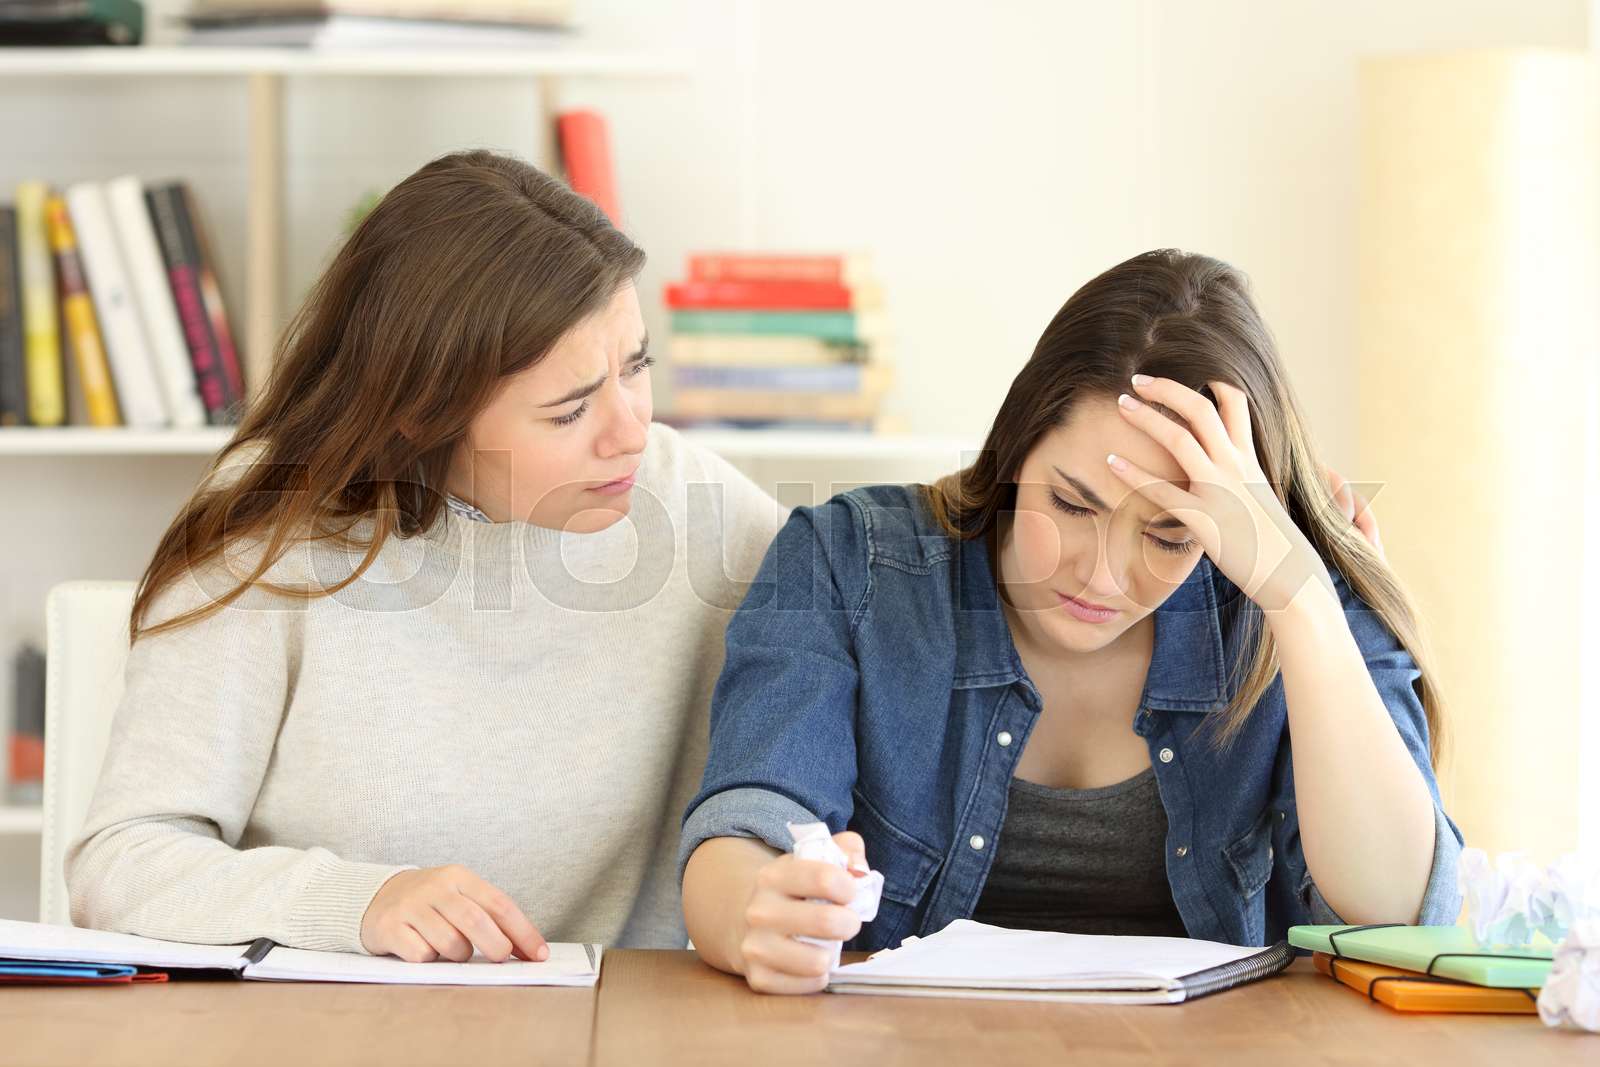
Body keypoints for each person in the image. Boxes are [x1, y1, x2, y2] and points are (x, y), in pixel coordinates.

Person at [679, 249, 1462, 994]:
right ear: (1017, 446)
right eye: (1071, 503)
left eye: (1169, 534)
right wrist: (760, 910)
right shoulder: (849, 561)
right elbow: (744, 827)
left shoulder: (1286, 590)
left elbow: (1399, 909)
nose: (1102, 574)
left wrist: (1301, 598)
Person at [66, 150, 783, 962]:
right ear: (422, 411)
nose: (630, 430)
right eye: (569, 408)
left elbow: (884, 594)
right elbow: (120, 861)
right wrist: (359, 901)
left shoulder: (686, 501)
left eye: (637, 366)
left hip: (612, 1031)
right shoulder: (273, 541)